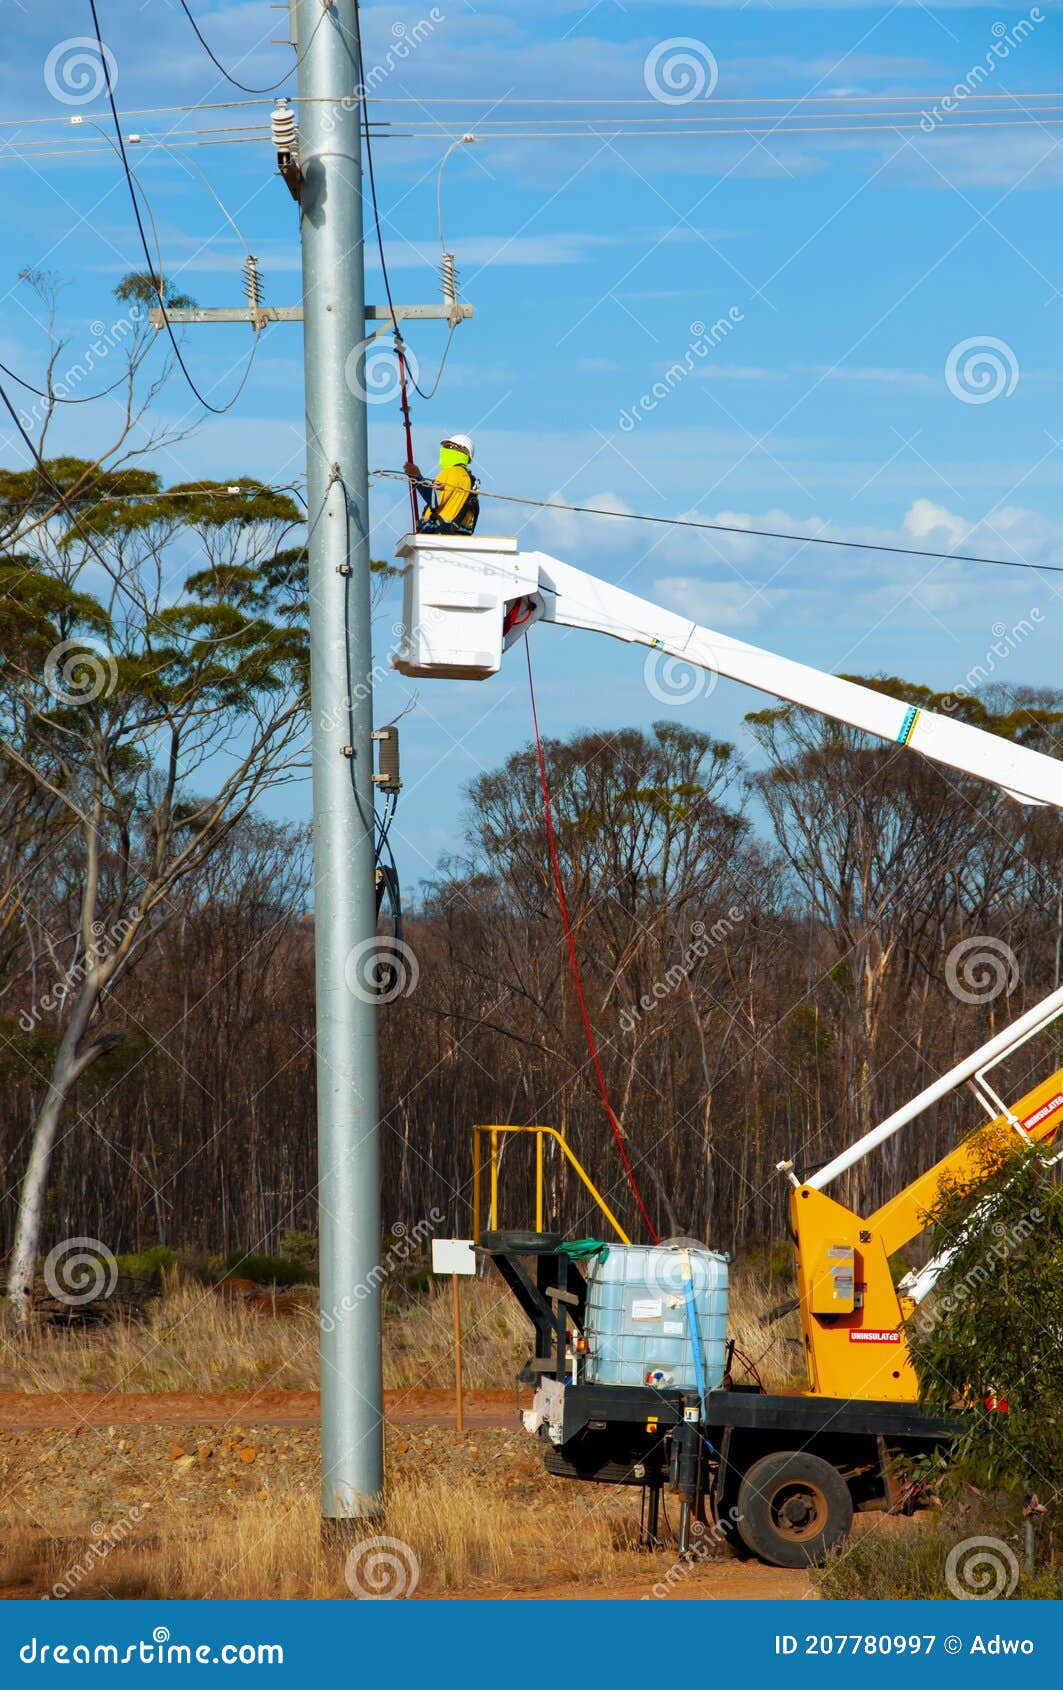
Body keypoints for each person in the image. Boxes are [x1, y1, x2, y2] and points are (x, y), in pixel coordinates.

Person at [405, 434, 479, 535]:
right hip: (455, 536)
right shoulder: (467, 478)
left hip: (441, 536)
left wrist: (417, 477)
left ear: (463, 451)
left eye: (450, 447)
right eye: (445, 447)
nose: (445, 450)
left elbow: (435, 500)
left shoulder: (453, 472)